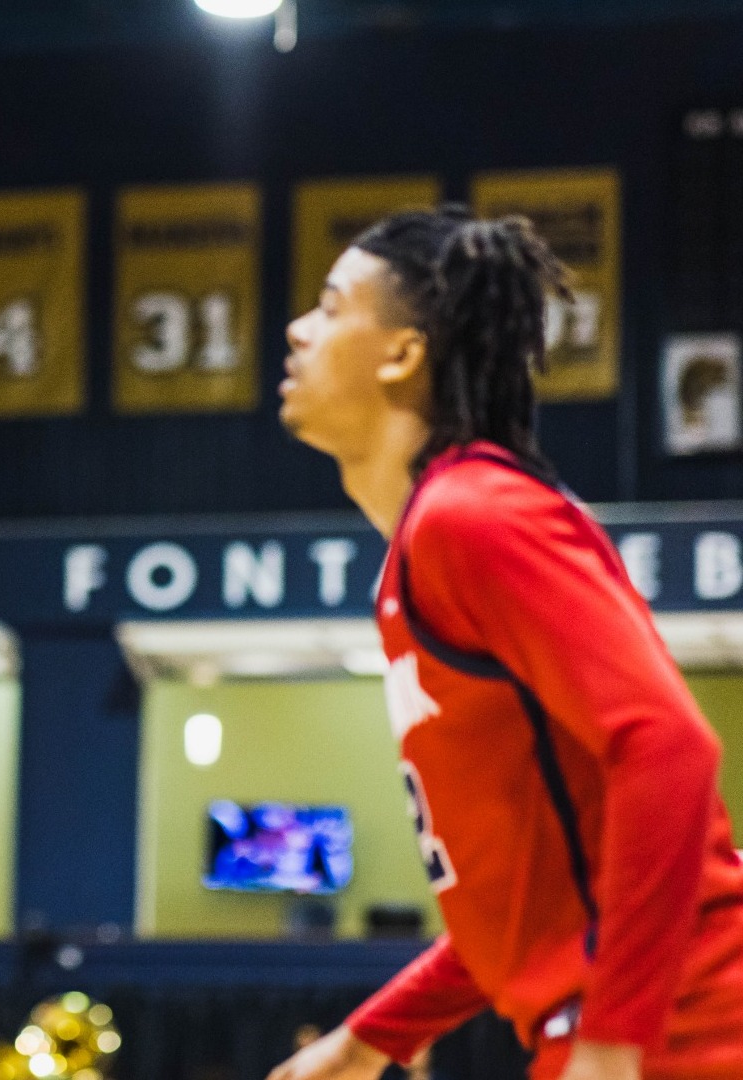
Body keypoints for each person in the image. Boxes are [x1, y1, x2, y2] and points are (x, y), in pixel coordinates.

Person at [269, 206, 743, 1080]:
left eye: (330, 308)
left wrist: (611, 1044)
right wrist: (366, 1041)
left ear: (403, 354)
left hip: (692, 1032)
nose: (297, 330)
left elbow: (670, 747)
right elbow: (526, 904)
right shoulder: (429, 544)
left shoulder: (474, 515)